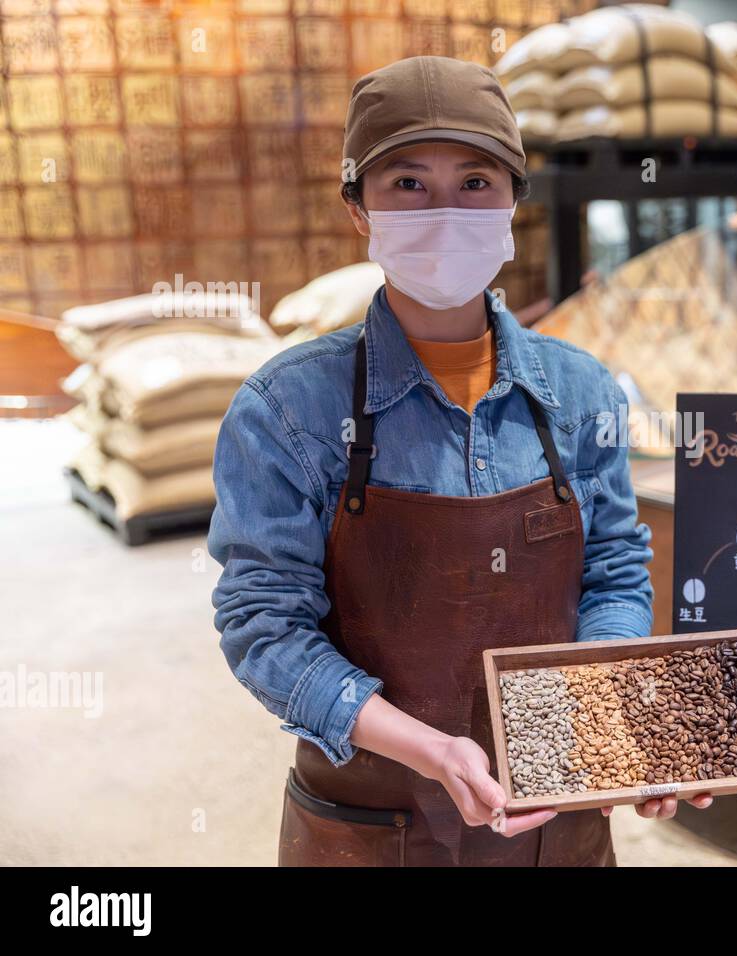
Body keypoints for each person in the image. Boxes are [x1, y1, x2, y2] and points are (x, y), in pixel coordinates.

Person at [208, 56, 710, 867]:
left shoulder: (583, 393)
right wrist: (431, 749)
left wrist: (614, 720)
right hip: (367, 823)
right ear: (357, 209)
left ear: (515, 202)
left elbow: (614, 572)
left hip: (559, 821)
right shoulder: (287, 410)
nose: (445, 210)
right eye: (408, 184)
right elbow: (264, 627)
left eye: (475, 182)